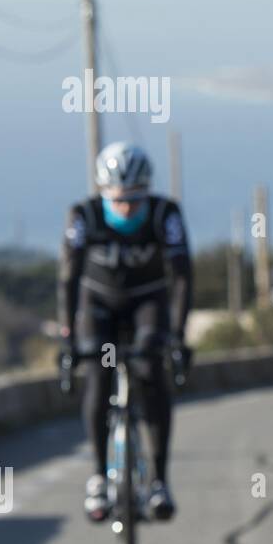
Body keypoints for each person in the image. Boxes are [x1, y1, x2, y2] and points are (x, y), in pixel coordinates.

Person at [57, 142, 193, 523]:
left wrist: (178, 337)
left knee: (153, 371)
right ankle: (99, 477)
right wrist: (68, 341)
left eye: (135, 199)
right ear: (103, 192)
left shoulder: (166, 213)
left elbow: (182, 277)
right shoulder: (83, 215)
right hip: (97, 306)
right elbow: (68, 277)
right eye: (117, 200)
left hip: (147, 305)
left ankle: (159, 482)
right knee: (99, 377)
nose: (127, 208)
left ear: (147, 191)